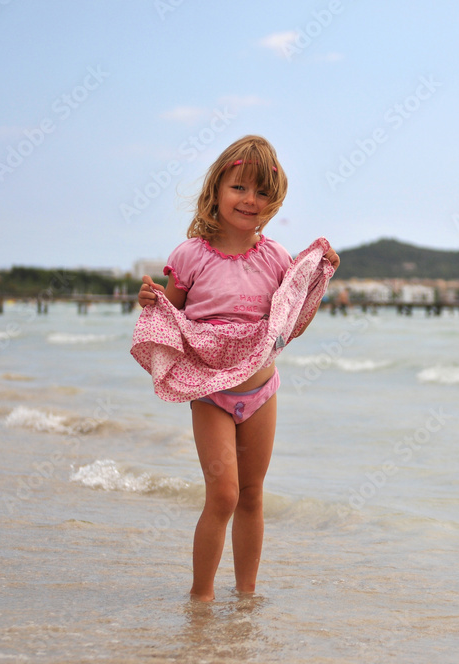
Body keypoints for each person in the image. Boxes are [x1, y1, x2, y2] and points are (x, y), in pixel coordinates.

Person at [134, 135, 340, 601]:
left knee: (251, 495)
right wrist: (151, 301)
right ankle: (201, 599)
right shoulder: (190, 255)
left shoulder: (276, 258)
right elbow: (172, 314)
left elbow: (286, 327)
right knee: (223, 495)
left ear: (274, 201)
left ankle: (246, 597)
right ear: (217, 190)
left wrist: (319, 278)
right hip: (211, 392)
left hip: (262, 389)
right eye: (240, 188)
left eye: (263, 192)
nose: (250, 200)